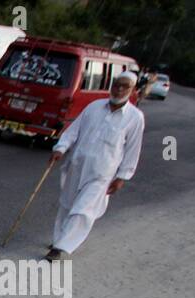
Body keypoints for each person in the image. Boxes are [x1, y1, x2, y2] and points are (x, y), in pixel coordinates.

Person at [45, 71, 145, 260]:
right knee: (66, 205)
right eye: (117, 85)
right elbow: (73, 131)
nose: (119, 89)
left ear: (132, 90)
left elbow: (133, 149)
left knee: (83, 210)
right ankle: (59, 239)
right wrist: (61, 148)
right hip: (77, 165)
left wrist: (122, 177)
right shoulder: (94, 107)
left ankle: (60, 248)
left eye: (125, 86)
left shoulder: (135, 117)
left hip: (102, 174)